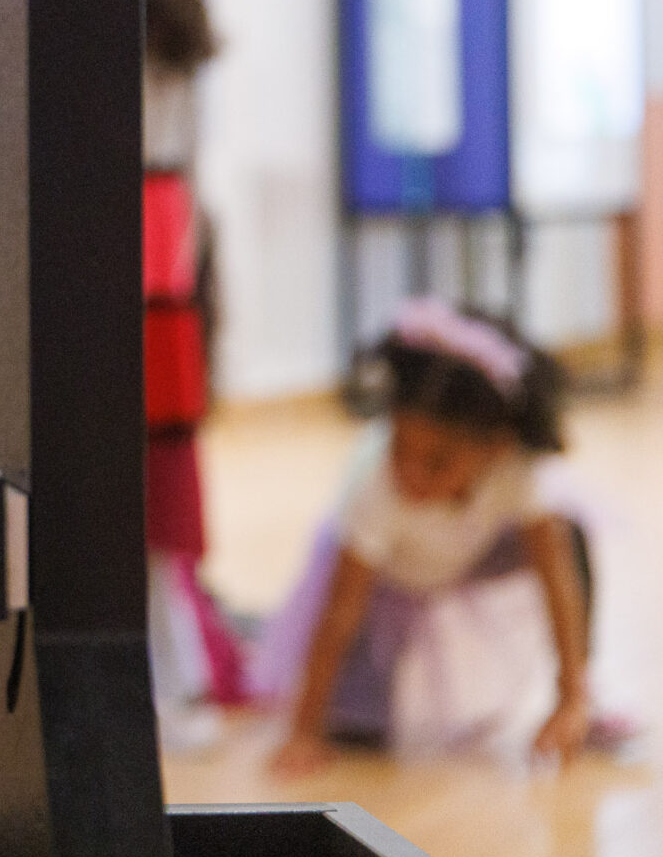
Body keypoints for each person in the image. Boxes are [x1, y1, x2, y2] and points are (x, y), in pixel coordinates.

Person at [259, 301, 619, 772]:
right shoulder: (375, 488)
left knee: (569, 534)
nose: (411, 476)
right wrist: (305, 730)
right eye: (400, 449)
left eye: (437, 462)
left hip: (473, 557)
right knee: (362, 732)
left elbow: (557, 576)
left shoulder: (515, 470)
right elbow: (340, 612)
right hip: (384, 586)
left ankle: (584, 703)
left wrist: (571, 697)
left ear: (496, 447)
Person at [141, 0, 248, 745]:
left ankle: (163, 682)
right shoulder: (182, 27)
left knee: (116, 482)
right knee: (159, 485)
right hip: (171, 264)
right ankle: (175, 673)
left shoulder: (104, 21)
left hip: (120, 260)